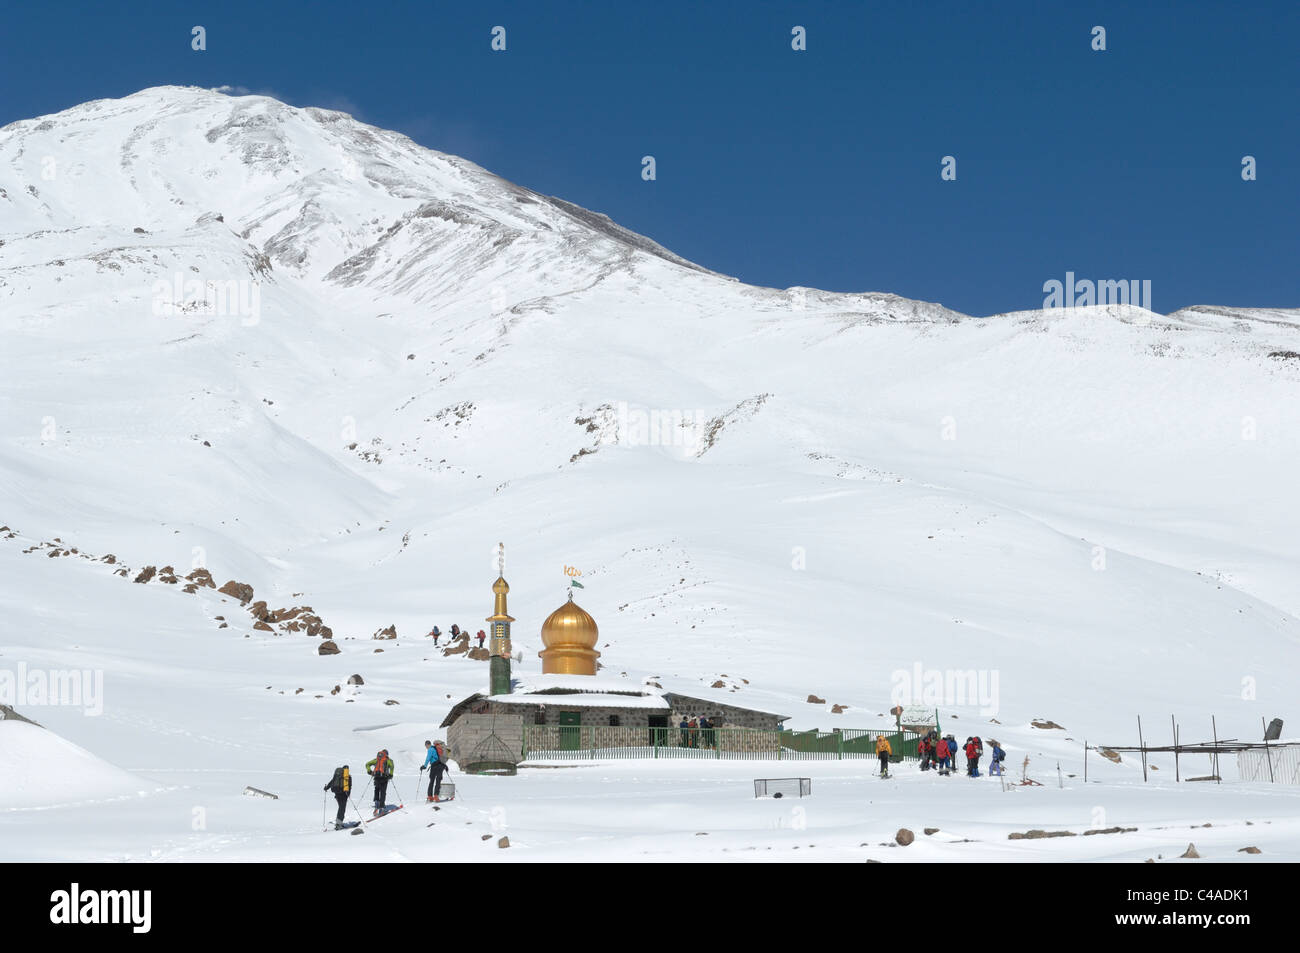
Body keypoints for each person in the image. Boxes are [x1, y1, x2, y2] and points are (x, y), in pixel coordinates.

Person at [365, 748, 395, 815]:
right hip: (384, 778)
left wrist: (369, 771)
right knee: (383, 792)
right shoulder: (388, 760)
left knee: (377, 789)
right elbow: (392, 766)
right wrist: (391, 774)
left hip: (376, 777)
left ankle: (376, 802)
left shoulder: (376, 759)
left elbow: (367, 764)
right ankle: (382, 807)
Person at [323, 765, 351, 829]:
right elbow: (349, 786)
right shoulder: (347, 777)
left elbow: (331, 782)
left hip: (337, 793)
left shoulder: (337, 776)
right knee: (342, 808)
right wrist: (348, 795)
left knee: (340, 808)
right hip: (343, 794)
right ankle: (339, 824)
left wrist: (326, 788)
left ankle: (339, 822)